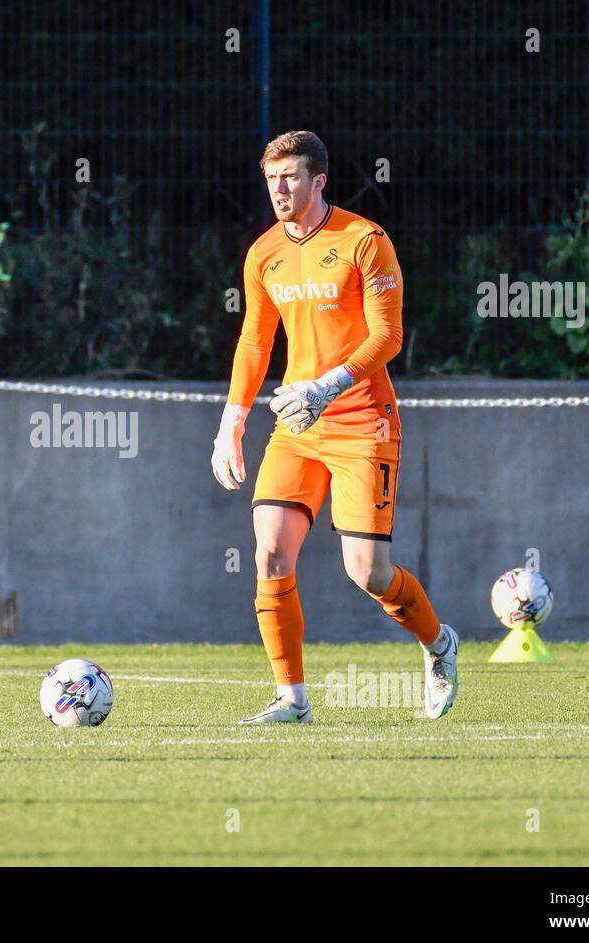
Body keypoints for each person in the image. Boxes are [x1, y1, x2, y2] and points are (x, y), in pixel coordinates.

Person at [210, 130, 458, 724]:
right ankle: (291, 698)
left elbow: (389, 336)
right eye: (271, 178)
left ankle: (437, 643)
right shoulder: (263, 252)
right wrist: (232, 419)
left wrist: (329, 385)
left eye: (291, 177)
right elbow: (255, 340)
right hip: (298, 424)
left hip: (362, 421)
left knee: (367, 572)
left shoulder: (365, 241)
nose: (279, 188)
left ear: (319, 181)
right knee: (270, 551)